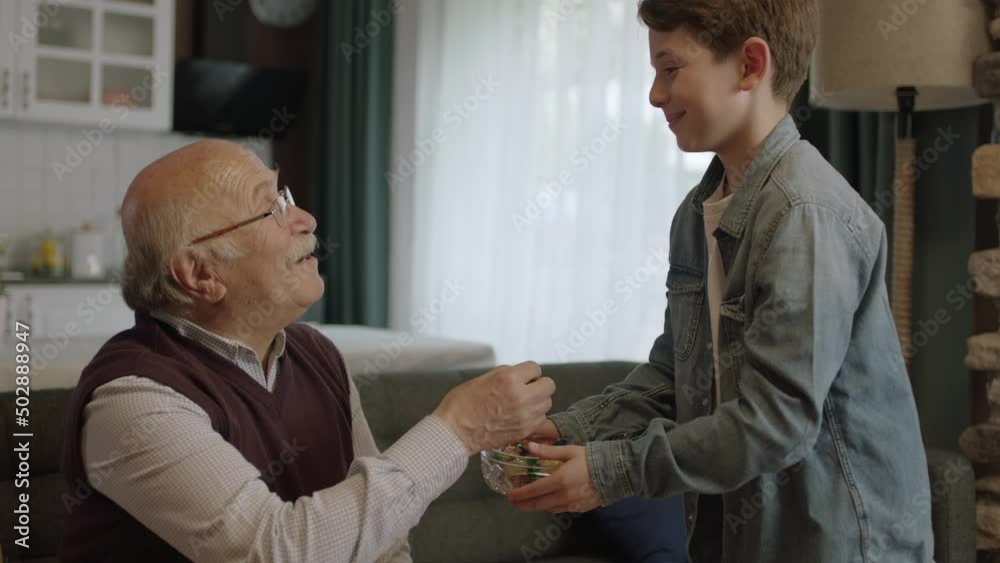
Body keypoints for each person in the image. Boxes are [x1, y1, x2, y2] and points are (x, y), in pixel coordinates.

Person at [508, 1, 934, 561]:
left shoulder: (806, 214)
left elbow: (775, 422)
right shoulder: (697, 212)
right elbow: (673, 375)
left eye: (671, 68)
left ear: (750, 65)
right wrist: (570, 432)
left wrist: (612, 473)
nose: (655, 95)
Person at [59, 140, 556, 562]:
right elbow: (278, 549)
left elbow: (381, 541)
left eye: (285, 197)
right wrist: (459, 429)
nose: (306, 218)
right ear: (200, 274)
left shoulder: (316, 353)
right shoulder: (132, 399)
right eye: (270, 209)